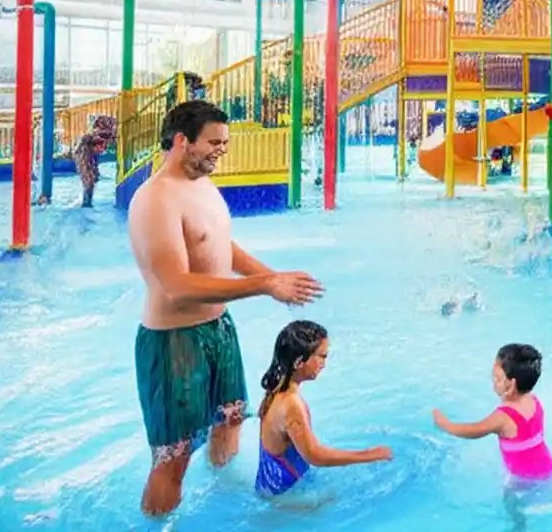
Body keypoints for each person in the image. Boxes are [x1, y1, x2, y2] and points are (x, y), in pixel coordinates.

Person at [127, 100, 324, 516]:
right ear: (182, 141)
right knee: (173, 457)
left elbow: (219, 248)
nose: (222, 150)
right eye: (214, 142)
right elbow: (176, 287)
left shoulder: (203, 186)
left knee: (232, 419)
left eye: (225, 142)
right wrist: (266, 285)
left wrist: (274, 277)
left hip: (219, 331)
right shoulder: (155, 200)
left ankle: (221, 505)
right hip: (173, 344)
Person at [256, 321, 393, 496]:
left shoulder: (274, 391)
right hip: (286, 500)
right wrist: (367, 455)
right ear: (299, 362)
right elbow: (314, 455)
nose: (324, 364)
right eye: (321, 356)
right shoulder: (291, 404)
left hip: (269, 488)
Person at [432, 343, 552, 481]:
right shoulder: (533, 401)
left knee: (510, 501)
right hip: (548, 467)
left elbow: (474, 430)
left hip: (523, 480)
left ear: (511, 384)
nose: (493, 381)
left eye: (497, 378)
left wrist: (445, 424)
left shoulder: (503, 417)